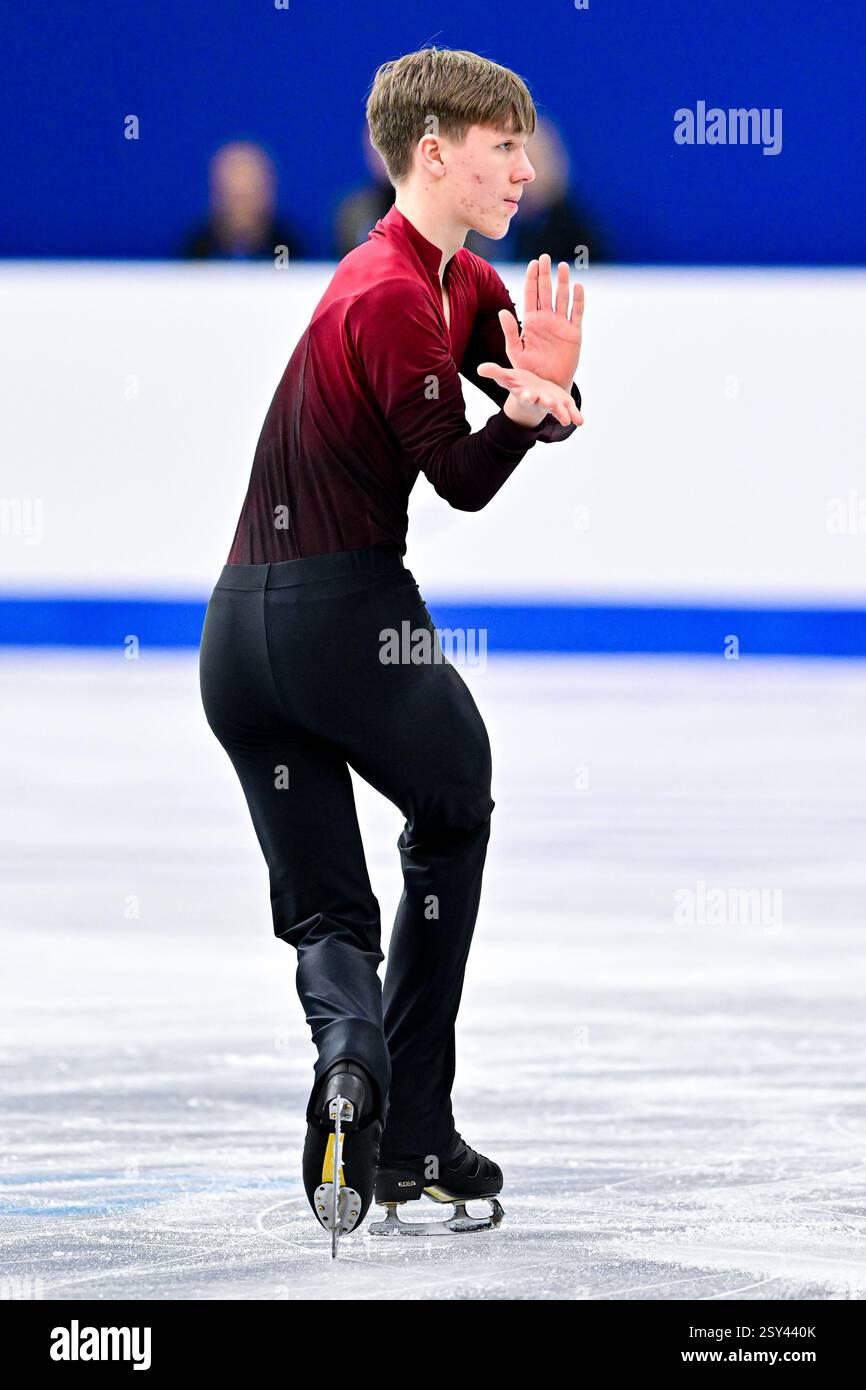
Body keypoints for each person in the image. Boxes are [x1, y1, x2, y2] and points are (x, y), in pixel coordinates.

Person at [198, 45, 584, 1253]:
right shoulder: (387, 297)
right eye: (500, 146)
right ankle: (414, 1129)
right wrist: (526, 419)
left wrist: (547, 398)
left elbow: (521, 370)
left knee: (326, 909)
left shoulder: (435, 279)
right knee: (454, 799)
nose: (522, 168)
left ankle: (352, 1062)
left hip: (236, 643)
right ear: (435, 151)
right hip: (339, 617)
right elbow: (463, 478)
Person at [181, 141, 303, 262]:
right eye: (234, 198)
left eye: (249, 196)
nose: (242, 211)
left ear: (269, 192)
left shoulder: (289, 250)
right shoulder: (195, 253)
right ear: (215, 195)